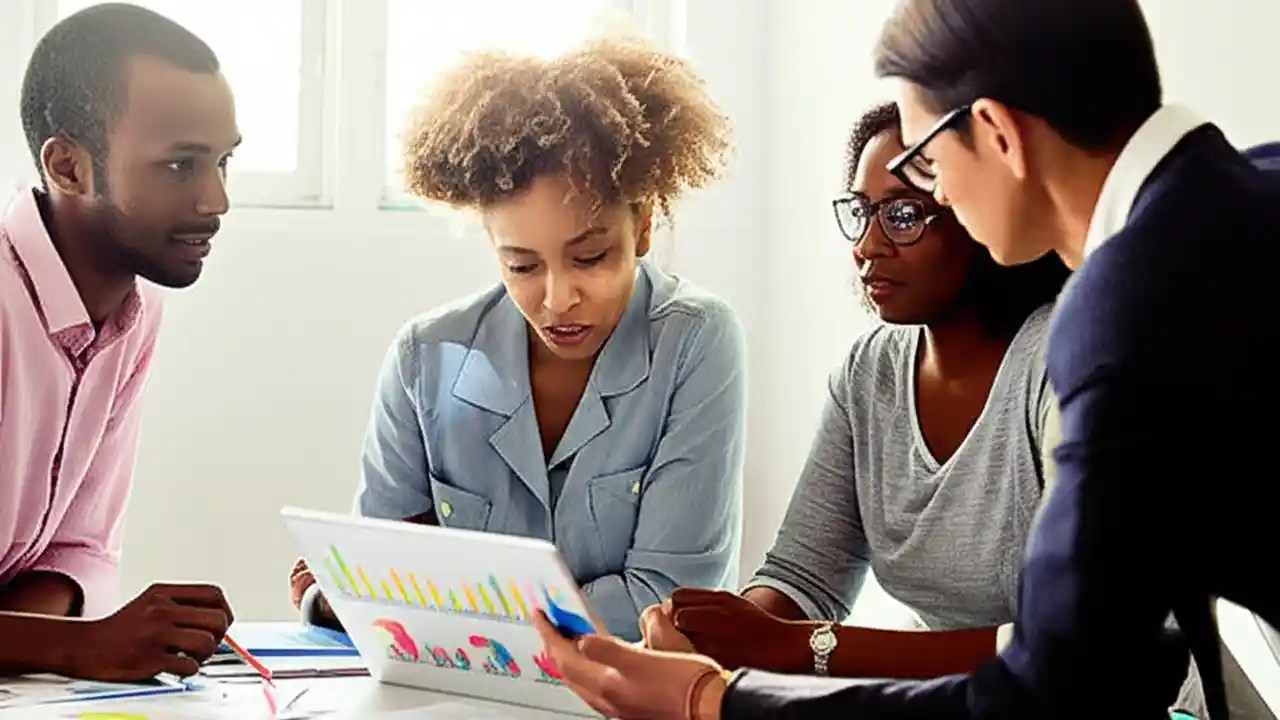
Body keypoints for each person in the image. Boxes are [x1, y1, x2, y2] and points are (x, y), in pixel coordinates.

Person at [531, 0, 1280, 718]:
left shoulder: (1113, 315)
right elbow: (805, 577)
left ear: (996, 132)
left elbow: (1061, 684)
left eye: (925, 164)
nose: (938, 191)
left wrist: (714, 700)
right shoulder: (1247, 202)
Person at [290, 35, 745, 641]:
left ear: (642, 227)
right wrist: (347, 600)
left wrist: (426, 610)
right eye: (522, 266)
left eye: (589, 256)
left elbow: (668, 600)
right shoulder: (424, 358)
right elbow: (376, 582)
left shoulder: (696, 342)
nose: (557, 300)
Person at [640, 101, 1070, 681]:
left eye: (902, 215)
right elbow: (804, 577)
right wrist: (718, 637)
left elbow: (1070, 645)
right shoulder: (870, 372)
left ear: (978, 210)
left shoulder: (1060, 363)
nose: (868, 245)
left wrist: (800, 647)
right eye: (862, 212)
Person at [0, 3, 239, 680]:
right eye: (179, 166)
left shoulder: (135, 311)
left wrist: (70, 642)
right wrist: (83, 647)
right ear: (69, 167)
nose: (217, 199)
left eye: (224, 161)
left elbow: (76, 549)